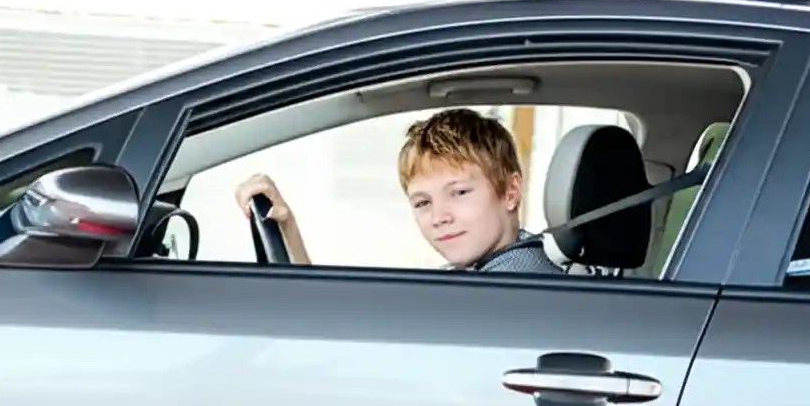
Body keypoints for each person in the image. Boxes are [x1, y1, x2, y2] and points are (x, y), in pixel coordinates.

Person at [234, 107, 564, 274]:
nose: (439, 217)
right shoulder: (497, 269)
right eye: (422, 202)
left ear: (510, 192)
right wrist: (288, 230)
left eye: (460, 193)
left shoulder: (514, 287)